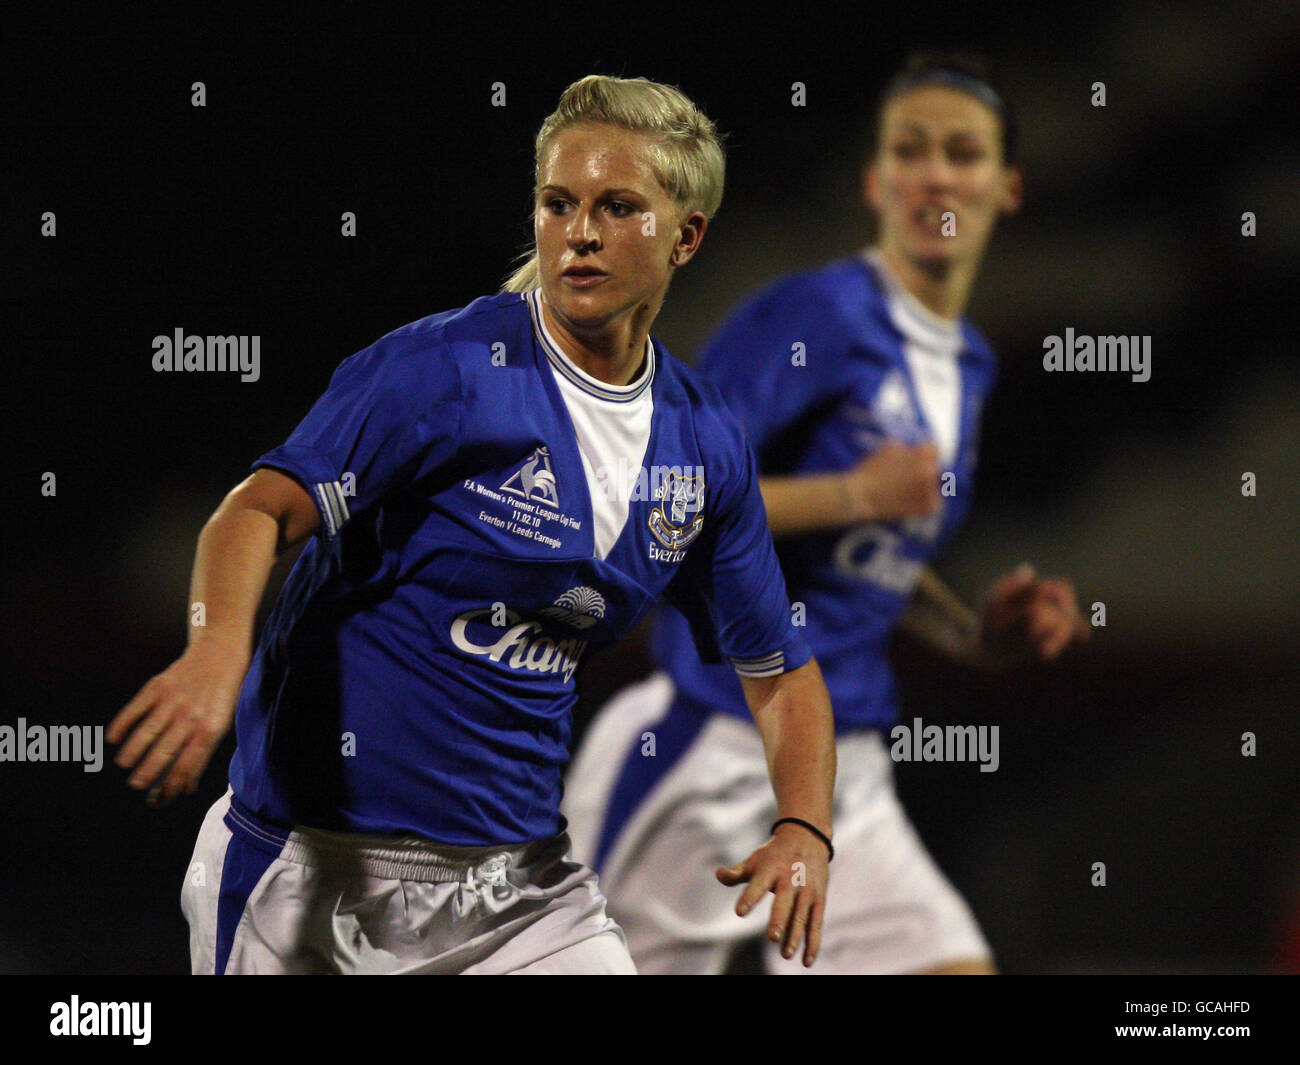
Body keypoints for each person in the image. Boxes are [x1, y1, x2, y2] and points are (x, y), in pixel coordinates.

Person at [107, 74, 837, 975]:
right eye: (557, 203)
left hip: (525, 900)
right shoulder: (446, 370)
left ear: (686, 236)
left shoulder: (703, 444)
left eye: (616, 207)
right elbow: (256, 510)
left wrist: (806, 827)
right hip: (313, 879)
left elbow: (783, 674)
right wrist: (213, 656)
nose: (579, 232)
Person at [563, 51, 1090, 975]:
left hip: (847, 767)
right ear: (875, 180)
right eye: (910, 149)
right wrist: (852, 492)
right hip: (710, 743)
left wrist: (975, 635)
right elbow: (660, 488)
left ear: (1006, 188)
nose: (935, 172)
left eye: (961, 152)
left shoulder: (967, 361)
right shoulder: (818, 316)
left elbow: (868, 555)